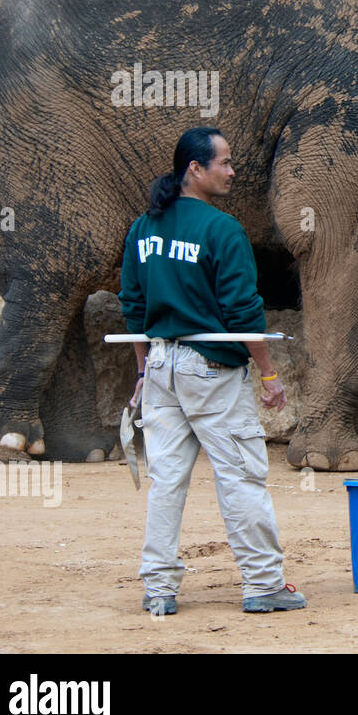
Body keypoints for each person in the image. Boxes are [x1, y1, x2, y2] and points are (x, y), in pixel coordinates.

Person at [119, 127, 306, 614]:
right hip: (211, 372)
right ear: (195, 170)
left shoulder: (143, 228)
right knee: (241, 476)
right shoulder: (222, 230)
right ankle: (263, 583)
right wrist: (268, 373)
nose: (232, 171)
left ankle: (159, 588)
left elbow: (134, 310)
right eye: (223, 162)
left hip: (160, 367)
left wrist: (143, 372)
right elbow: (244, 311)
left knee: (167, 480)